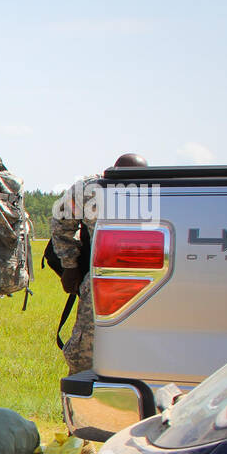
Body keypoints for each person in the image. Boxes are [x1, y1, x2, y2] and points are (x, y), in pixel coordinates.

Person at [51, 153, 149, 375]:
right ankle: (81, 400)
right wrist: (70, 265)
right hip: (102, 283)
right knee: (84, 355)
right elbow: (60, 223)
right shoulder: (90, 191)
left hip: (149, 285)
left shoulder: (159, 193)